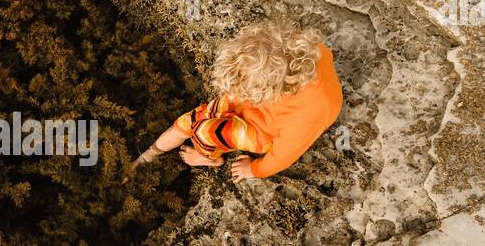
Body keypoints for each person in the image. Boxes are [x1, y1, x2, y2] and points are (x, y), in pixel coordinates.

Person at [134, 21, 343, 181]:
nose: (234, 93)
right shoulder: (298, 50)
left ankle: (211, 159)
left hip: (264, 130)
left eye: (243, 89)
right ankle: (150, 153)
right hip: (261, 100)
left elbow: (281, 158)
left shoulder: (305, 118)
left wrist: (253, 169)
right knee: (191, 120)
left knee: (205, 133)